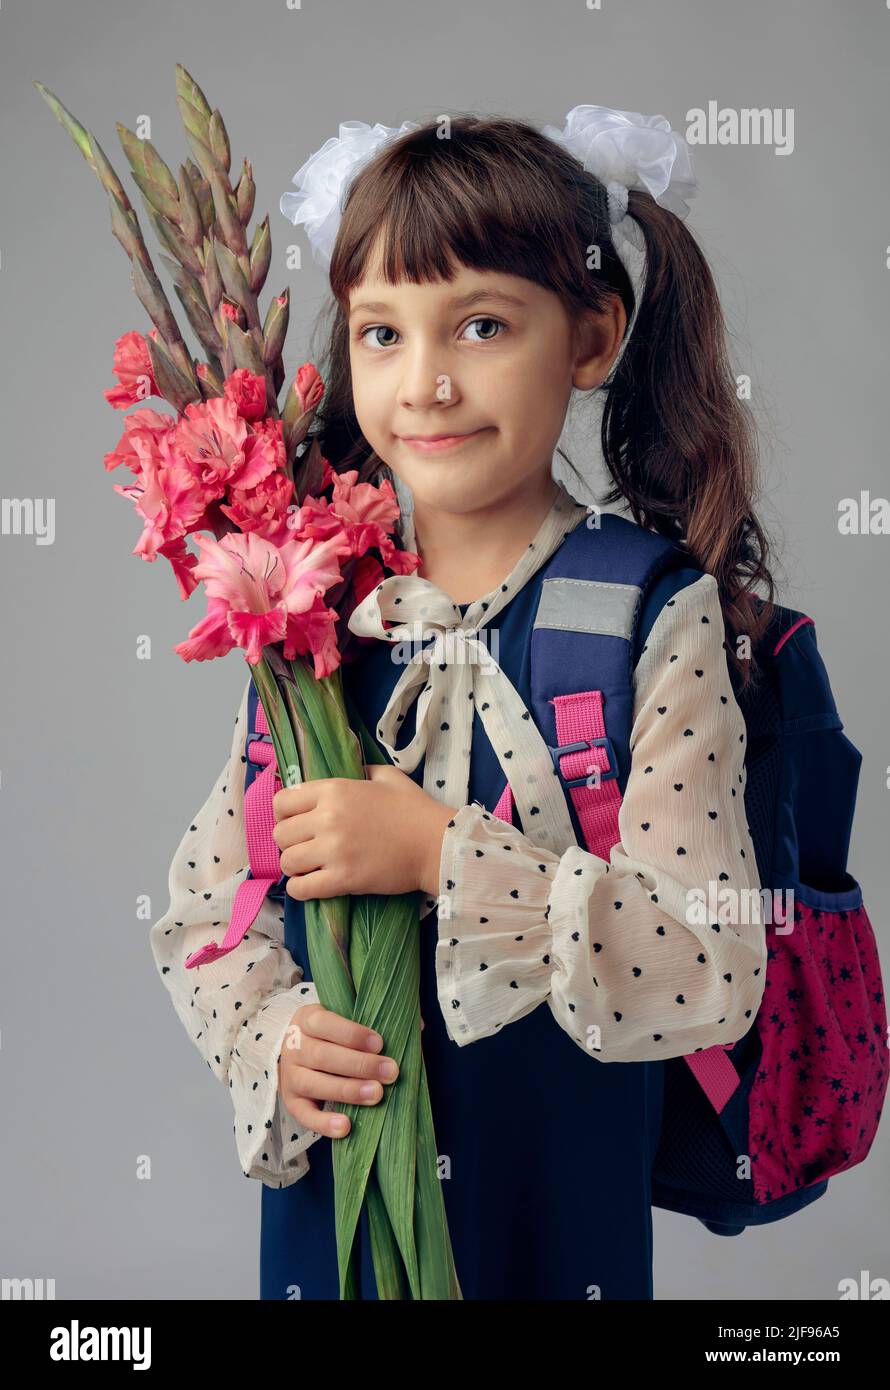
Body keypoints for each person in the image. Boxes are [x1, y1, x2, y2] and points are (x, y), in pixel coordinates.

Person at [150, 107, 775, 1300]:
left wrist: (441, 853)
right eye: (382, 333)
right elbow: (205, 916)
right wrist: (276, 1038)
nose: (426, 384)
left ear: (590, 336)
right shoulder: (316, 609)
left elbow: (710, 958)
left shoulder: (645, 615)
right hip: (341, 1222)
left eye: (481, 325)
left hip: (553, 1220)